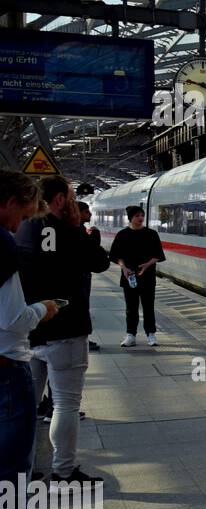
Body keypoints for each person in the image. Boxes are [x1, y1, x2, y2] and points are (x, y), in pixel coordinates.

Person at [18, 176, 111, 485]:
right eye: (70, 196)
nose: (72, 202)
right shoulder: (69, 231)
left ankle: (25, 469)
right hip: (66, 329)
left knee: (27, 408)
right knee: (66, 404)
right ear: (58, 200)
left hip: (28, 329)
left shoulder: (22, 228)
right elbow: (100, 262)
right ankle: (64, 471)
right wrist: (78, 229)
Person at [0, 171, 62, 509]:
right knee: (9, 484)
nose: (24, 222)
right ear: (7, 202)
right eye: (23, 210)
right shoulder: (1, 243)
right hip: (6, 373)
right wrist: (45, 308)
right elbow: (14, 320)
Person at [108, 206, 165, 347]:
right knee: (131, 308)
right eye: (137, 216)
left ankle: (151, 334)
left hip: (148, 276)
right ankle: (130, 335)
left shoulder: (151, 234)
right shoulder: (122, 235)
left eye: (142, 215)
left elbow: (158, 255)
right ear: (131, 218)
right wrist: (124, 267)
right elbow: (115, 256)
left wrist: (147, 265)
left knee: (148, 307)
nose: (140, 218)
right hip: (129, 277)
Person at [78, 202, 101, 353]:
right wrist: (94, 238)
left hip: (81, 276)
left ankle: (83, 339)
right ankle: (82, 340)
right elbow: (94, 256)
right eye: (86, 212)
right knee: (82, 308)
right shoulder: (78, 231)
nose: (90, 215)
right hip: (81, 277)